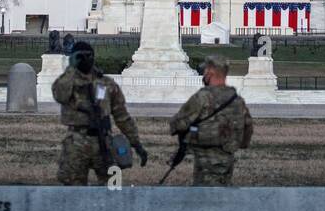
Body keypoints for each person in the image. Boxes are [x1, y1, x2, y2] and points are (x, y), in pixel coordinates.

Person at [52, 40, 147, 184]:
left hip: (104, 141)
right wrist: (71, 68)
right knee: (72, 188)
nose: (86, 59)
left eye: (89, 56)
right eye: (81, 56)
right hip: (77, 141)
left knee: (113, 186)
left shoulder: (106, 84)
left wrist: (136, 144)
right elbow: (60, 95)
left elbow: (122, 116)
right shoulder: (68, 82)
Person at [168, 55, 254, 186]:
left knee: (206, 199)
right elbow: (248, 128)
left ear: (210, 72)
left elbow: (178, 123)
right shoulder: (237, 100)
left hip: (205, 161)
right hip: (228, 160)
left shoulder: (202, 98)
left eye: (205, 71)